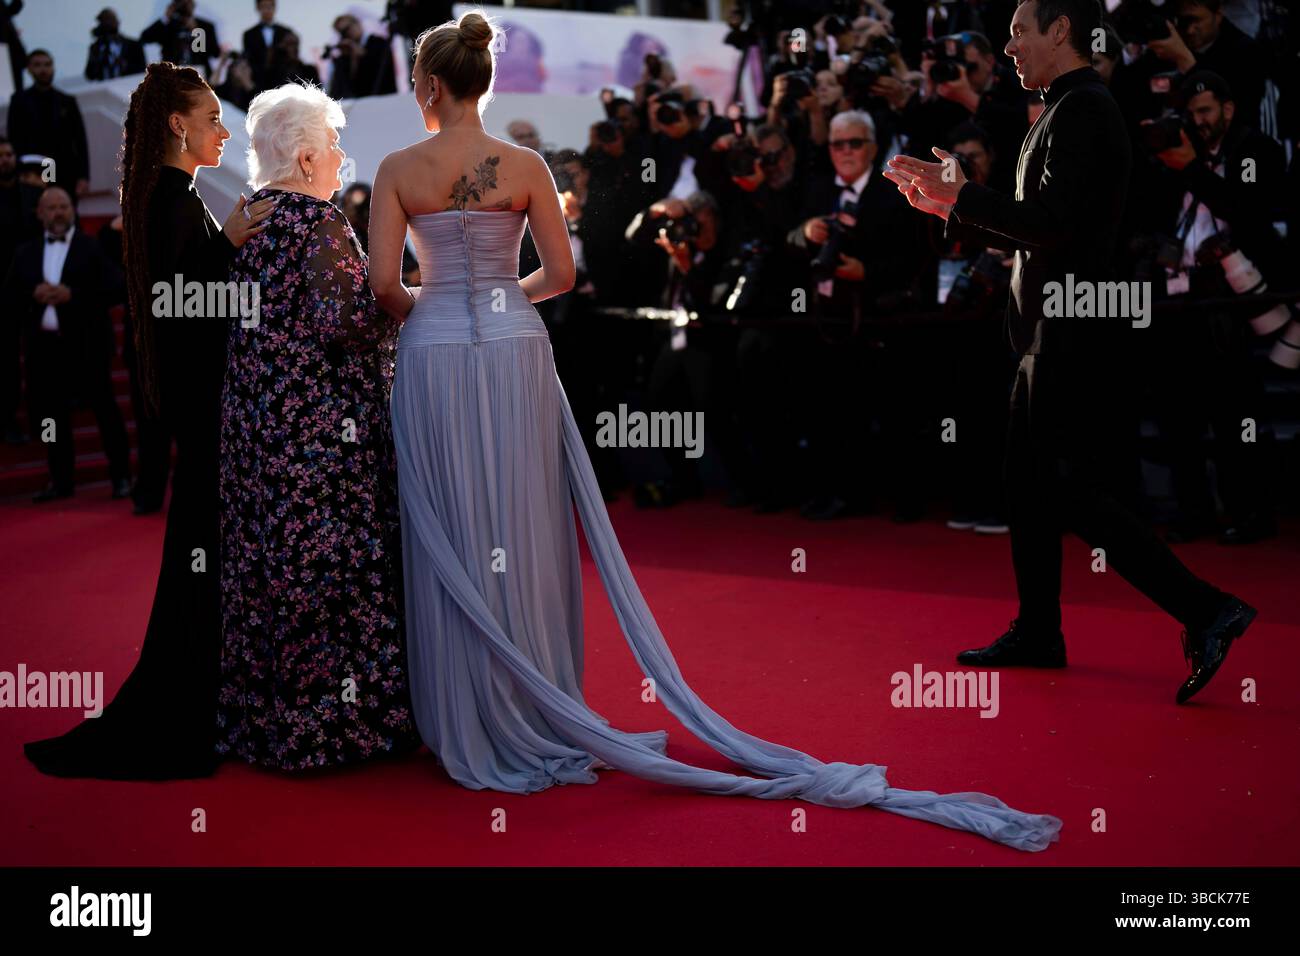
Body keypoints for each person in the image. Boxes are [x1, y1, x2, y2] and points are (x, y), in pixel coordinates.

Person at [367, 9, 1061, 853]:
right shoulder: (523, 165)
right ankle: (532, 702)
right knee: (516, 522)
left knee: (456, 521)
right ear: (483, 80)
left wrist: (437, 309)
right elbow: (562, 273)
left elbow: (381, 285)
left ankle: (469, 712)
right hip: (515, 347)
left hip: (437, 352)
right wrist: (503, 303)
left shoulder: (401, 166)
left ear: (430, 85)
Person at [883, 0, 1257, 705]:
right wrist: (951, 208)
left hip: (1072, 331)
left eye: (1022, 29)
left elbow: (1052, 228)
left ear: (1062, 30)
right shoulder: (1060, 109)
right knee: (1025, 483)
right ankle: (1038, 630)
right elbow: (1037, 231)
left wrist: (964, 196)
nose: (1010, 44)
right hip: (1043, 328)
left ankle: (1206, 608)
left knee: (1065, 488)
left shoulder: (1086, 110)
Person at [22, 63, 274, 779]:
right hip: (200, 412)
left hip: (198, 408)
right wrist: (229, 244)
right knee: (197, 569)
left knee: (200, 566)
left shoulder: (171, 194)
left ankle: (194, 705)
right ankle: (180, 715)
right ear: (178, 124)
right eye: (214, 118)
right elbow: (179, 305)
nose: (224, 131)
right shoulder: (171, 198)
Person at [216, 83, 417, 769]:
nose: (340, 157)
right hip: (321, 440)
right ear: (305, 160)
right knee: (331, 575)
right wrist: (410, 300)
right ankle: (338, 731)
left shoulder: (246, 220)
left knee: (268, 573)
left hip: (255, 429)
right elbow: (345, 322)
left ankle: (270, 728)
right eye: (332, 145)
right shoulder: (319, 222)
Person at [4, 185, 131, 502]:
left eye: (63, 207)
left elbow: (117, 287)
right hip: (45, 351)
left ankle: (122, 477)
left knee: (106, 413)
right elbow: (9, 298)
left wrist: (73, 295)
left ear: (72, 211)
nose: (58, 212)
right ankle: (61, 480)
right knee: (52, 419)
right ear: (40, 213)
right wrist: (33, 294)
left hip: (87, 345)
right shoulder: (24, 253)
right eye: (52, 207)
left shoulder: (92, 247)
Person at [6, 50, 90, 202]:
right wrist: (19, 172)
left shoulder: (67, 101)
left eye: (47, 64)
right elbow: (14, 139)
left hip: (65, 172)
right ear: (29, 69)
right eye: (37, 65)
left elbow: (80, 141)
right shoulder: (18, 101)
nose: (43, 69)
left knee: (67, 212)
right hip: (33, 172)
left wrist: (84, 176)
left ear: (53, 67)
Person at [241, 0, 291, 91]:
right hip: (257, 83)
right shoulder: (249, 34)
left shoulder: (286, 33)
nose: (267, 10)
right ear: (258, 8)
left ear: (275, 8)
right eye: (263, 7)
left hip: (282, 82)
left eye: (269, 7)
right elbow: (247, 59)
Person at [84, 8, 146, 82]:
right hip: (104, 89)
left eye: (110, 20)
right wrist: (95, 59)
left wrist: (125, 65)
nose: (108, 24)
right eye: (104, 21)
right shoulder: (96, 47)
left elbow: (142, 70)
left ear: (117, 22)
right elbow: (89, 75)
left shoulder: (134, 45)